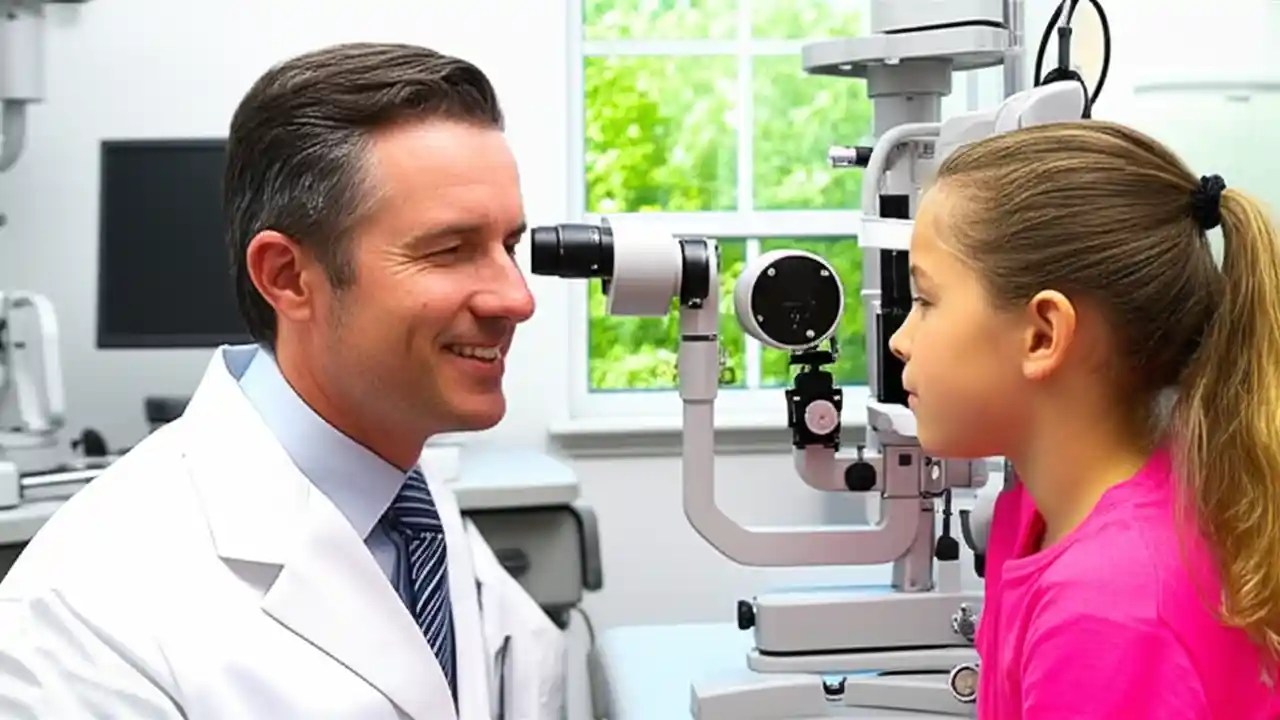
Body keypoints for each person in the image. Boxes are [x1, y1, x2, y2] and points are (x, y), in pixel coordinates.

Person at [0, 42, 565, 719]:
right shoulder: (82, 618)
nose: (517, 299)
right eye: (450, 251)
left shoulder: (402, 496)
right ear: (287, 277)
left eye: (507, 247)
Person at [889, 119, 1280, 718]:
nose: (900, 339)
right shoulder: (1034, 516)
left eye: (925, 301)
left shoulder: (1109, 606)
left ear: (1043, 334)